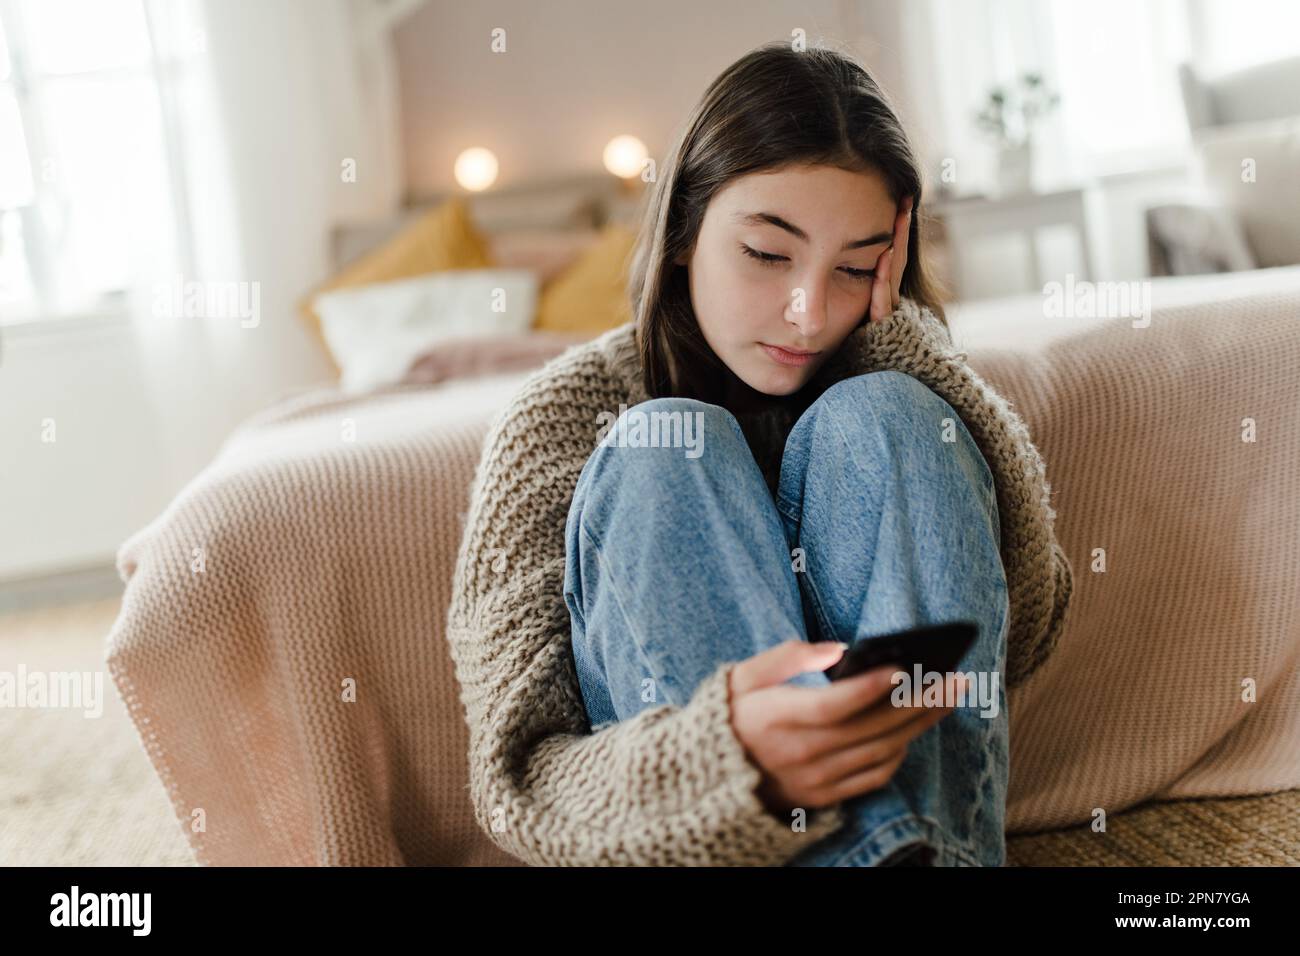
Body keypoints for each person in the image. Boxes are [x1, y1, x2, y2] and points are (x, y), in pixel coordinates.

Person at [445, 41, 1073, 867]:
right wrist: (724, 753)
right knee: (665, 444)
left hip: (934, 837)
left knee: (891, 417)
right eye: (768, 255)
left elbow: (1019, 627)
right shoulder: (562, 419)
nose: (810, 315)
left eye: (855, 267)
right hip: (706, 840)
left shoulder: (884, 382)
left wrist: (901, 347)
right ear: (681, 234)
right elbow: (519, 784)